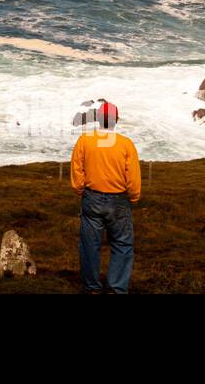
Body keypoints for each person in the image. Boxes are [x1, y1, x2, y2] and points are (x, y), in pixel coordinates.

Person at [69, 101, 141, 293]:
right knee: (122, 244)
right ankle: (117, 288)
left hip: (91, 198)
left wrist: (79, 190)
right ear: (116, 120)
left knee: (89, 245)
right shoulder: (126, 144)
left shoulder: (85, 140)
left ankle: (92, 287)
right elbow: (132, 176)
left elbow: (77, 169)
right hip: (118, 200)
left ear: (98, 119)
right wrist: (133, 197)